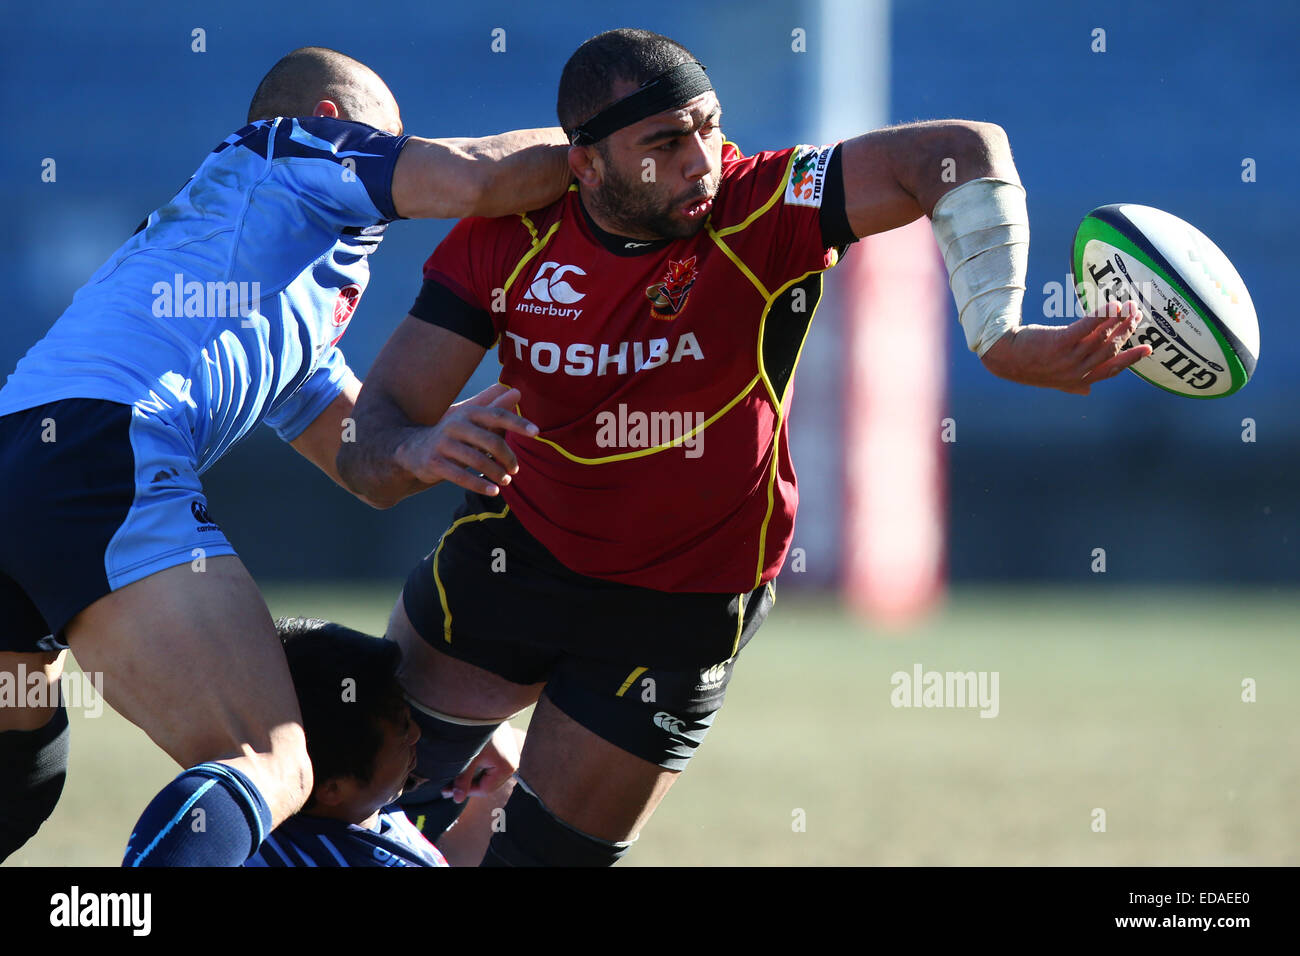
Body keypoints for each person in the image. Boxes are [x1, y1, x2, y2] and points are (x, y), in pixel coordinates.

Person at [337, 28, 1151, 865]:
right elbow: (370, 444)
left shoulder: (763, 205)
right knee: (344, 822)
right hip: (515, 559)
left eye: (709, 126)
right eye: (664, 142)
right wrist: (418, 449)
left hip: (681, 604)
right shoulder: (506, 239)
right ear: (583, 165)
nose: (702, 159)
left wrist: (998, 332)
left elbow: (958, 151)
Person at [0, 46, 570, 865]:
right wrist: (614, 137)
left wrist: (424, 442)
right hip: (99, 451)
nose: (395, 158)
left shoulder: (274, 282)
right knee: (273, 764)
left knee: (17, 766)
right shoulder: (282, 150)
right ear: (330, 125)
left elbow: (359, 462)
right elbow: (477, 178)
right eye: (390, 139)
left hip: (20, 453)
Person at [246, 617, 522, 868]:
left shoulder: (239, 804)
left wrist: (487, 729)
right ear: (333, 789)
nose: (417, 733)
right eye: (403, 729)